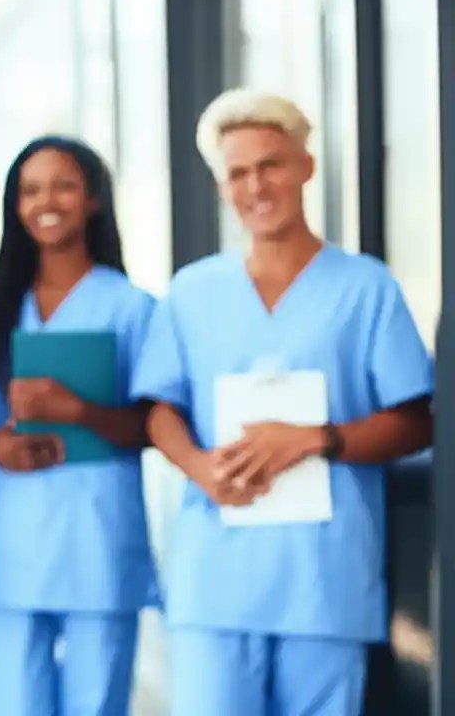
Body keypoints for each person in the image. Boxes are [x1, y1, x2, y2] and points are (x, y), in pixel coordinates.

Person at [131, 88, 434, 715]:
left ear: (305, 166)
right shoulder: (194, 291)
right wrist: (199, 468)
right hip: (215, 577)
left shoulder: (364, 287)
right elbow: (158, 408)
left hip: (323, 580)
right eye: (237, 172)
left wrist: (316, 438)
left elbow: (415, 421)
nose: (256, 185)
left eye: (270, 164)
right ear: (221, 186)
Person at [0, 135, 158, 715]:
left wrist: (80, 413)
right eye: (31, 189)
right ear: (14, 206)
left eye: (64, 185)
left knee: (97, 702)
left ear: (93, 199)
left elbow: (153, 426)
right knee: (9, 702)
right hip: (16, 536)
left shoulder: (131, 307)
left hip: (99, 533)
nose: (47, 201)